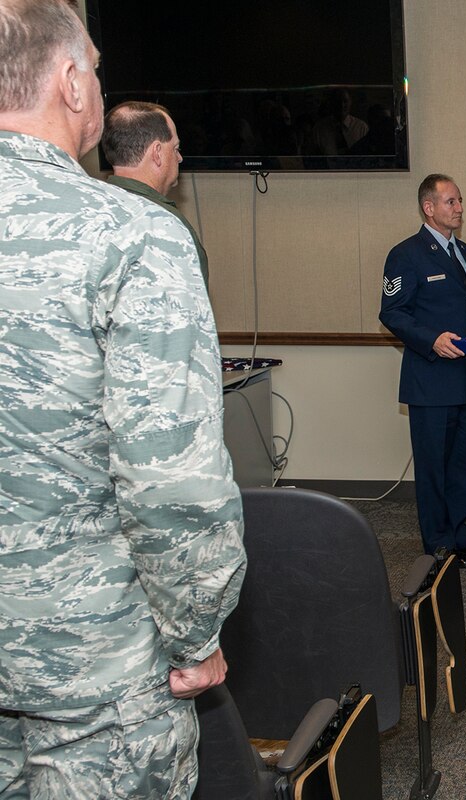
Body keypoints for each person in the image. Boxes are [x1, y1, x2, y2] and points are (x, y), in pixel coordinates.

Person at [0, 2, 246, 797]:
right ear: (71, 83)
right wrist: (196, 631)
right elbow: (169, 478)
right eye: (98, 71)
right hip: (92, 664)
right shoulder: (133, 235)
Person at [379, 174, 466, 566]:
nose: (459, 208)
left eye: (460, 201)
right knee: (434, 467)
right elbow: (393, 312)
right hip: (430, 381)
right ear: (428, 207)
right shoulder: (406, 254)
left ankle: (460, 535)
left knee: (464, 465)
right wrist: (431, 339)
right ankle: (438, 544)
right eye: (451, 202)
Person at [101, 100, 210, 287]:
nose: (179, 158)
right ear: (157, 152)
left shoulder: (89, 210)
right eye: (175, 148)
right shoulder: (166, 226)